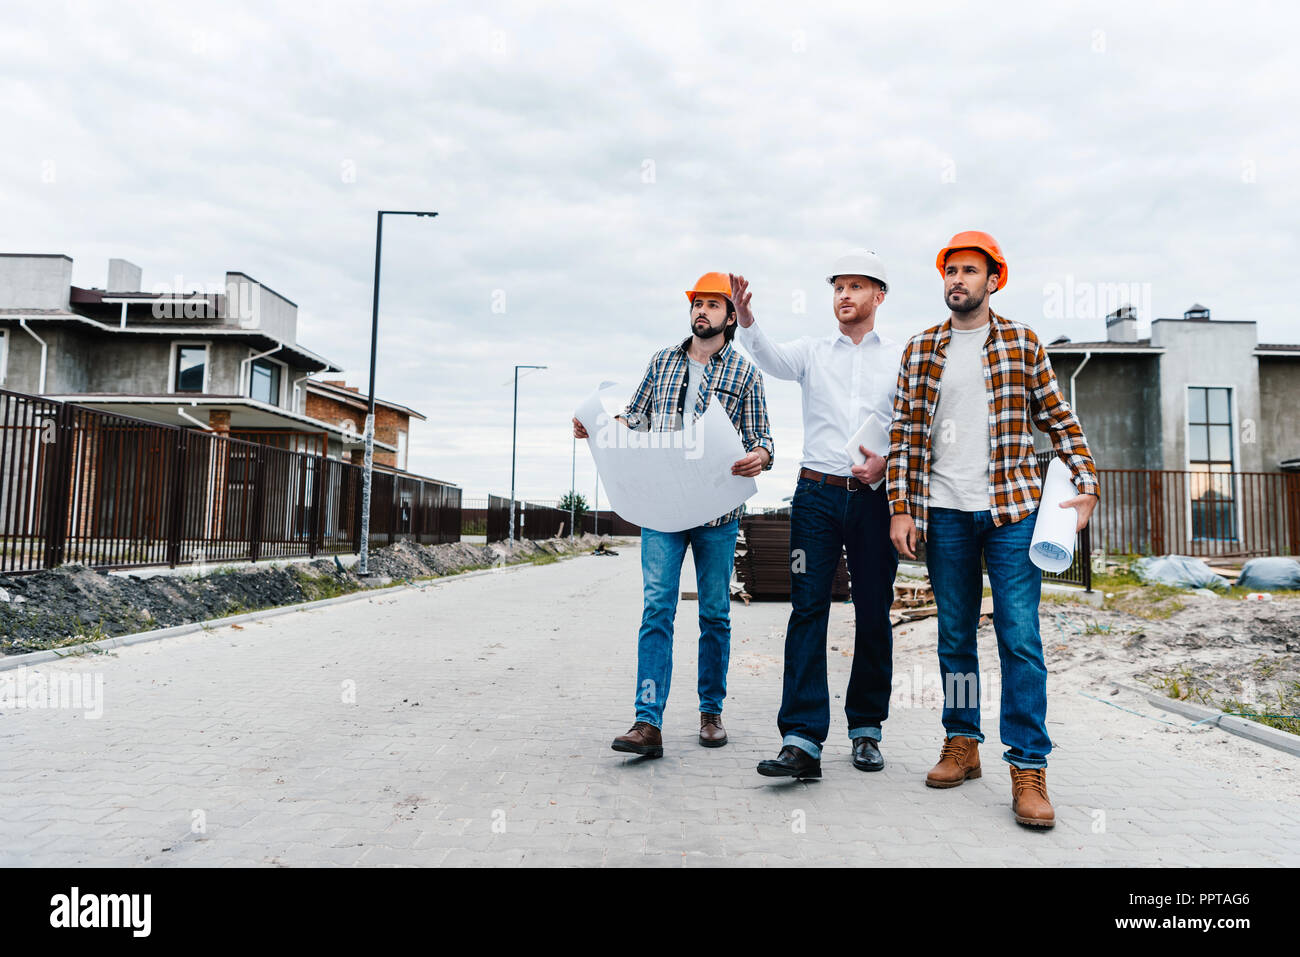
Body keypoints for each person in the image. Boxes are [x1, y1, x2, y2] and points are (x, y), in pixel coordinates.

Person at [886, 230, 1099, 828]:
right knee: (954, 637)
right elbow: (902, 433)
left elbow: (1060, 418)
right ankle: (962, 743)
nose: (957, 280)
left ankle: (1029, 768)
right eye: (950, 271)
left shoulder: (1022, 343)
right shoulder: (921, 348)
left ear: (993, 279)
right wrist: (901, 506)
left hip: (1012, 512)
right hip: (946, 513)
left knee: (1019, 639)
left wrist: (1084, 484)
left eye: (969, 271)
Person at [571, 271, 774, 757]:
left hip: (717, 512)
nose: (701, 312)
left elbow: (763, 439)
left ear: (729, 316)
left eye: (711, 305)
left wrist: (760, 457)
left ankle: (711, 713)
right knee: (657, 610)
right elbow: (636, 418)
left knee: (715, 614)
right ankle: (647, 722)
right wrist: (599, 426)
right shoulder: (662, 362)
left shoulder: (745, 373)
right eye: (695, 304)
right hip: (661, 509)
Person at [730, 252, 903, 781]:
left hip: (874, 500)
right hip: (816, 498)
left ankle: (866, 729)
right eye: (837, 288)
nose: (844, 295)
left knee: (873, 611)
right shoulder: (811, 352)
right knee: (808, 608)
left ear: (878, 296)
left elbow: (914, 426)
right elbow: (770, 359)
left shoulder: (901, 357)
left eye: (855, 286)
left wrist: (889, 464)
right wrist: (746, 320)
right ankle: (802, 739)